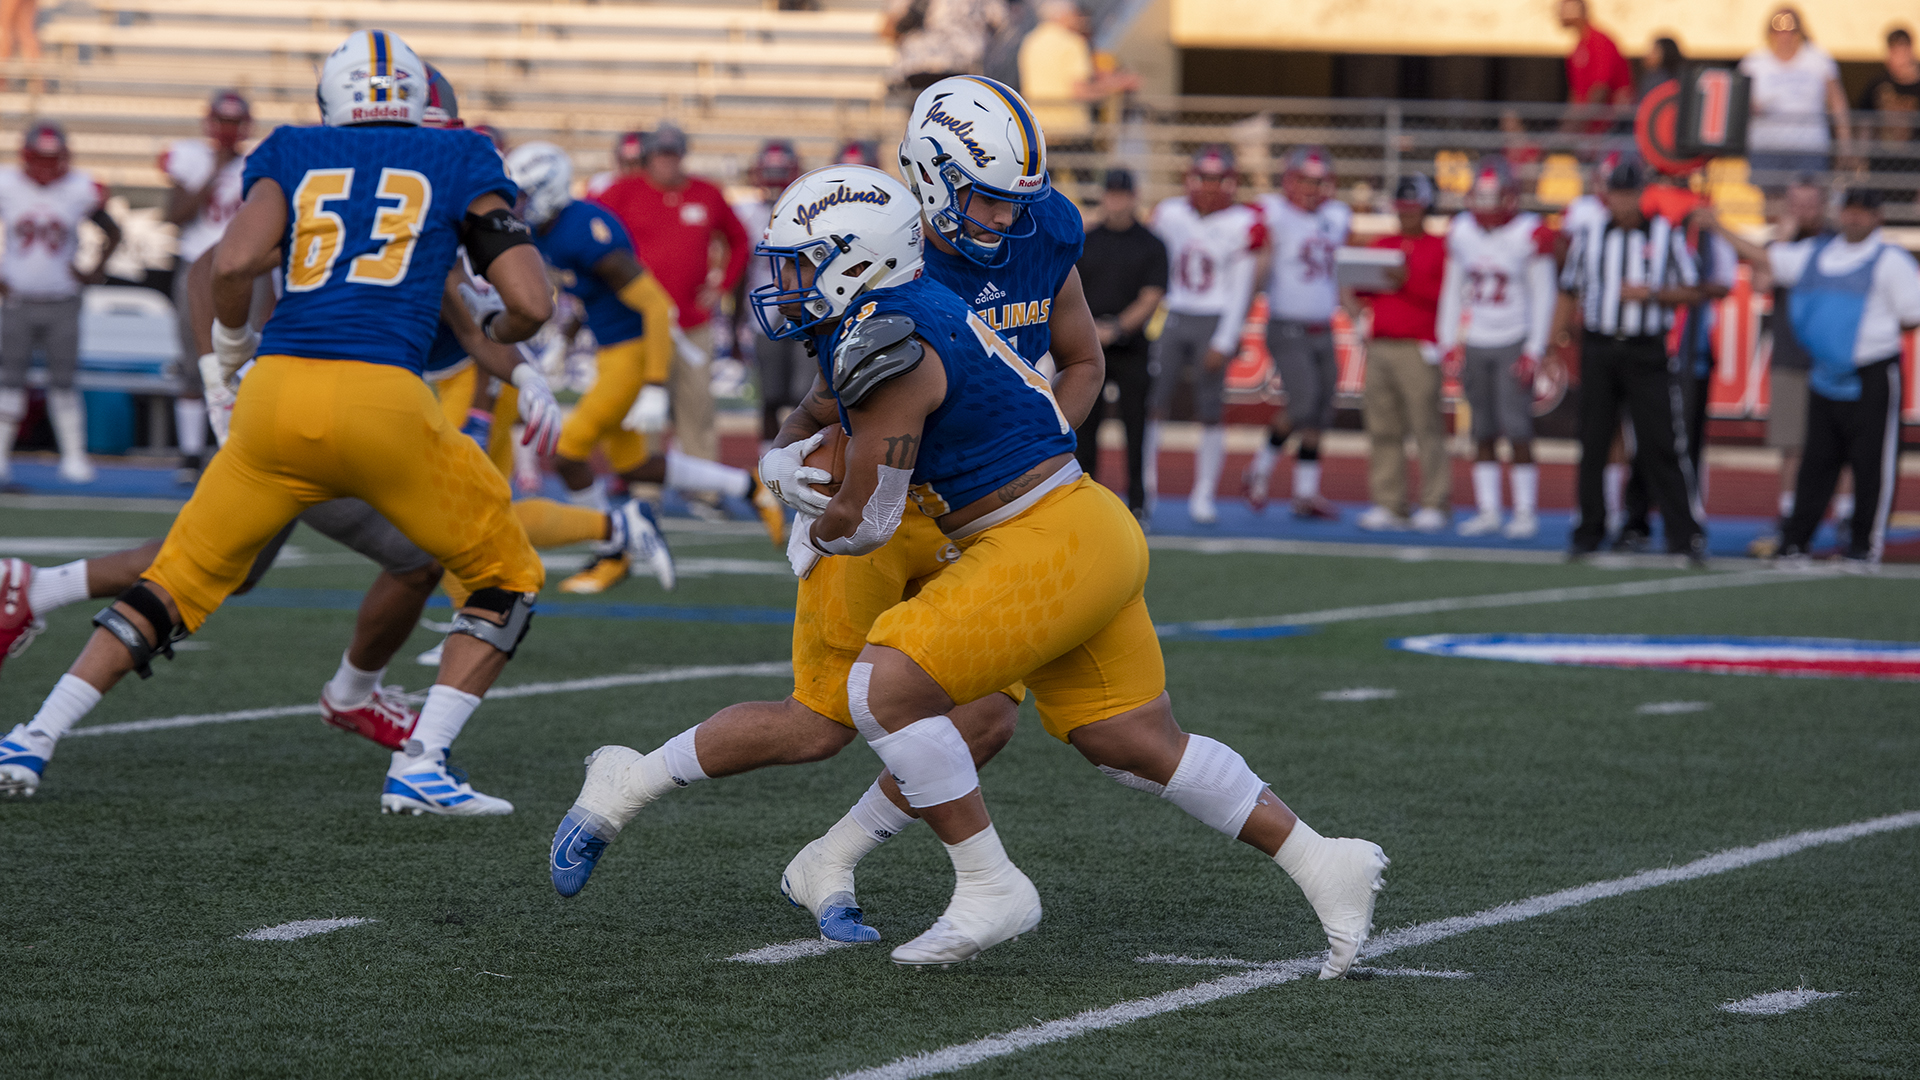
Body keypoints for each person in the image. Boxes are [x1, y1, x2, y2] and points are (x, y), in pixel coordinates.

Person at [555, 163, 1389, 972]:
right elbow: (833, 415)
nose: (788, 280)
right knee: (1129, 737)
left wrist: (800, 507)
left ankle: (989, 886)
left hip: (1028, 535)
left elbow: (869, 518)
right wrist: (784, 459)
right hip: (1079, 524)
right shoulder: (894, 307)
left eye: (805, 261)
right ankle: (1325, 860)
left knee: (883, 690)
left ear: (856, 258)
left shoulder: (894, 337)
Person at [548, 77, 1106, 948]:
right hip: (890, 495)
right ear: (930, 178)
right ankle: (630, 780)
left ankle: (831, 858)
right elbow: (827, 405)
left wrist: (1028, 444)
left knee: (987, 717)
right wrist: (786, 459)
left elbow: (1082, 359)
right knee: (820, 724)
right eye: (987, 200)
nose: (1004, 222)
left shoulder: (1039, 232)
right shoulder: (886, 260)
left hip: (985, 514)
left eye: (1014, 202)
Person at [0, 30, 556, 810]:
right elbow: (529, 303)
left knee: (178, 581)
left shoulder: (295, 148)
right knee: (507, 574)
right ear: (424, 105)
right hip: (384, 407)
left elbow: (229, 262)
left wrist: (227, 356)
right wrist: (515, 345)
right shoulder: (460, 159)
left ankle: (32, 736)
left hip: (274, 394)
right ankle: (421, 761)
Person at [505, 141, 781, 597]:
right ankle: (748, 487)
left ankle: (613, 549)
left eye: (526, 195)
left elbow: (656, 307)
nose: (519, 206)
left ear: (548, 191)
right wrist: (565, 340)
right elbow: (590, 293)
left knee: (568, 452)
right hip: (613, 349)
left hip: (635, 352)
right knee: (634, 464)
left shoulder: (581, 231)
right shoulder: (552, 229)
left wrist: (654, 385)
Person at [1707, 189, 1920, 563]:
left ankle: (1863, 544)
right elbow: (1767, 258)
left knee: (1871, 462)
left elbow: (1911, 313)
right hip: (1823, 373)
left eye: (1862, 213)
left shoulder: (1890, 260)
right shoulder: (1820, 254)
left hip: (1869, 372)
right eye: (1850, 212)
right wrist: (1718, 227)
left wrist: (1871, 334)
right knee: (1817, 462)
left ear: (1877, 217)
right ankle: (1796, 539)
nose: (1855, 219)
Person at [1556, 157, 1705, 560]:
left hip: (1645, 348)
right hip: (1600, 346)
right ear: (1607, 196)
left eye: (1629, 194)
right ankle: (1588, 531)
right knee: (1594, 441)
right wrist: (1559, 338)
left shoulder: (1664, 234)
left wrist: (1652, 293)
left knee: (1661, 443)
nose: (1623, 202)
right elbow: (1569, 289)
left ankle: (1684, 534)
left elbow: (1693, 289)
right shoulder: (1590, 236)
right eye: (1616, 194)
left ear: (1641, 194)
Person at [592, 123, 751, 481]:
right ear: (647, 157)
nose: (667, 162)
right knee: (639, 409)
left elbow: (740, 241)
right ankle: (640, 483)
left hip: (691, 322)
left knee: (697, 409)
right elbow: (592, 234)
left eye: (673, 154)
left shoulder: (706, 193)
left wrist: (722, 286)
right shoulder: (622, 192)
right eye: (660, 155)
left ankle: (707, 489)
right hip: (637, 322)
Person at [1146, 145, 1264, 525]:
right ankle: (1145, 487)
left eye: (1218, 179)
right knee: (1153, 403)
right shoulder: (1169, 213)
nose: (1210, 186)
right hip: (1173, 311)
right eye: (1205, 177)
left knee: (1210, 411)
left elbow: (1242, 287)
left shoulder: (1243, 221)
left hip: (1213, 316)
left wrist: (1226, 340)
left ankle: (1204, 493)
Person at [1439, 158, 1556, 540]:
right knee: (1482, 428)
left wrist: (1534, 348)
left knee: (1518, 427)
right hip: (1476, 340)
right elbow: (1453, 289)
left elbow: (1544, 293)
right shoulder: (1461, 231)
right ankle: (1488, 510)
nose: (1487, 207)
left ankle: (1525, 511)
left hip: (1513, 339)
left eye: (1494, 198)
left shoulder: (1529, 232)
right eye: (1482, 198)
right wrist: (1448, 341)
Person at [0, 121, 122, 486]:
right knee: (9, 381)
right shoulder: (8, 184)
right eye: (40, 158)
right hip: (17, 301)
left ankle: (73, 458)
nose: (46, 167)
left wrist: (95, 269)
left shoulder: (79, 188)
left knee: (64, 381)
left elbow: (112, 230)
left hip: (63, 299)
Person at [1618, 190, 1737, 552]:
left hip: (1690, 354)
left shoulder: (1705, 239)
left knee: (1682, 445)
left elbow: (1721, 283)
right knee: (1644, 441)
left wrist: (1678, 290)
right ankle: (1636, 519)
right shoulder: (1647, 235)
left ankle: (1684, 521)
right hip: (1653, 350)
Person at [1246, 146, 1350, 520]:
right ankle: (1259, 470)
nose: (1311, 188)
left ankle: (1305, 494)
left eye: (1318, 181)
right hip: (1286, 324)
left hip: (1324, 326)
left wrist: (1359, 315)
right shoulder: (1273, 213)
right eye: (1304, 179)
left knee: (1321, 413)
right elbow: (1257, 263)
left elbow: (1342, 273)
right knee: (1303, 403)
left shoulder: (1337, 216)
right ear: (1290, 180)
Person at [161, 89, 251, 484]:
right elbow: (175, 216)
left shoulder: (258, 162)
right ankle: (190, 457)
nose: (229, 130)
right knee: (193, 364)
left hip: (247, 269)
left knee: (245, 359)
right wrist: (214, 171)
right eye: (224, 122)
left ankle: (234, 449)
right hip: (196, 268)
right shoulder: (191, 157)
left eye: (235, 123)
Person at [1354, 173, 1449, 533]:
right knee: (1382, 428)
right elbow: (1362, 292)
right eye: (1402, 208)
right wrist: (1351, 290)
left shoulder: (1440, 247)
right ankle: (1388, 502)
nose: (1406, 214)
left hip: (1418, 347)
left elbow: (1445, 295)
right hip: (1381, 345)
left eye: (1413, 208)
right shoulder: (1382, 244)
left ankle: (1434, 501)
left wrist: (1406, 280)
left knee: (1427, 427)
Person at [1075, 168, 1165, 519]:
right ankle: (1087, 501)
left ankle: (1139, 502)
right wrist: (1091, 331)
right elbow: (1070, 291)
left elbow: (1151, 296)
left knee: (1136, 428)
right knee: (1086, 429)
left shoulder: (1151, 244)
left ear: (1134, 196)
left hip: (1132, 348)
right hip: (1088, 348)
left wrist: (1115, 328)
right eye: (1111, 194)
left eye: (1122, 194)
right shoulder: (1086, 240)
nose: (1116, 201)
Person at [1749, 178, 1830, 557]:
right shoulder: (1779, 245)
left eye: (1809, 205)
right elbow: (1760, 281)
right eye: (1796, 204)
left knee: (1840, 443)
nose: (1802, 212)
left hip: (1831, 356)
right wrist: (1782, 239)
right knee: (1791, 444)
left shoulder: (1834, 242)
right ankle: (1788, 512)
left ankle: (1844, 513)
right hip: (1790, 355)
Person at [730, 140, 809, 449]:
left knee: (805, 394)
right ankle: (769, 464)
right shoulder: (746, 213)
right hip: (763, 313)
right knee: (770, 396)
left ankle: (803, 461)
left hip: (807, 311)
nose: (775, 180)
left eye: (780, 172)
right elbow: (739, 272)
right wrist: (736, 320)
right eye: (770, 172)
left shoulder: (810, 211)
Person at [1739, 7, 1851, 187]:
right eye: (1778, 29)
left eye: (1791, 29)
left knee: (1807, 203)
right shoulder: (1753, 62)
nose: (1785, 35)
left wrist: (1845, 142)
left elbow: (1837, 101)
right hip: (1767, 147)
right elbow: (1740, 103)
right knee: (1773, 206)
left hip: (1809, 149)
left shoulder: (1818, 59)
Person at [1016, 0, 1140, 153]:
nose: (1076, 18)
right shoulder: (1072, 43)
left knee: (1047, 174)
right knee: (1084, 174)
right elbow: (1080, 90)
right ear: (1063, 15)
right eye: (1073, 13)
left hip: (1039, 128)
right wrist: (1116, 86)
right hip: (1071, 129)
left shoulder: (1030, 42)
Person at [880, 0, 1007, 94]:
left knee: (923, 122)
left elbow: (888, 30)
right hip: (963, 67)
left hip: (919, 66)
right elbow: (1000, 22)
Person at [1857, 29, 1920, 185]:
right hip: (1882, 161)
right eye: (1893, 51)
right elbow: (1865, 123)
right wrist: (1861, 159)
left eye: (1901, 50)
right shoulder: (1877, 84)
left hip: (1914, 162)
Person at [1558, 0, 1631, 130]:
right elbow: (1576, 93)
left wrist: (1581, 124)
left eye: (1564, 8)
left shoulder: (1599, 41)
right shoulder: (1578, 47)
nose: (1559, 13)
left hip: (1607, 127)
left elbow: (1601, 88)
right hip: (1586, 126)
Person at [585, 131, 644, 200]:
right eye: (625, 163)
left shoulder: (652, 187)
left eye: (634, 163)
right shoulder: (599, 184)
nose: (629, 168)